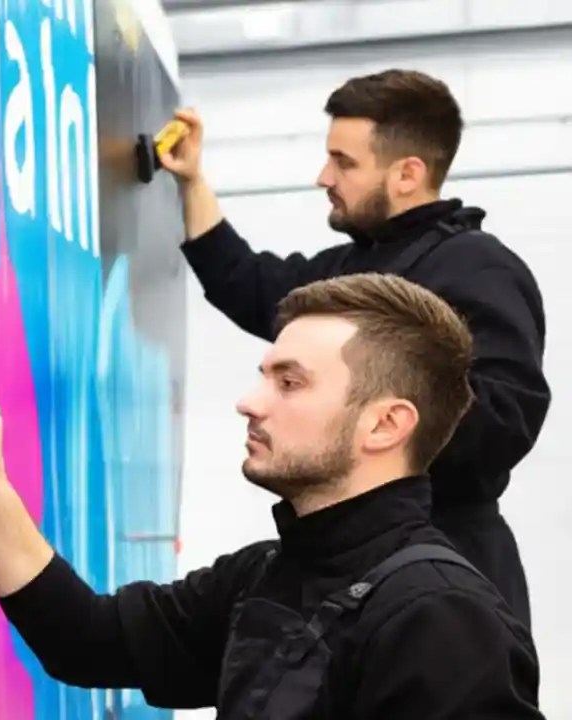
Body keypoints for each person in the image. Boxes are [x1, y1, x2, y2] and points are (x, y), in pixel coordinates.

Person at [0, 273, 543, 718]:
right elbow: (84, 639)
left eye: (289, 381)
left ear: (386, 424)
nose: (250, 400)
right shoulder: (263, 574)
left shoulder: (442, 618)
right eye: (263, 374)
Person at [157, 68, 548, 629]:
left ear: (408, 172)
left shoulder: (479, 268)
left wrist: (358, 428)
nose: (324, 176)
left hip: (447, 571)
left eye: (344, 162)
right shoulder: (353, 268)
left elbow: (503, 421)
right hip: (349, 563)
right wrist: (192, 183)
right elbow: (247, 282)